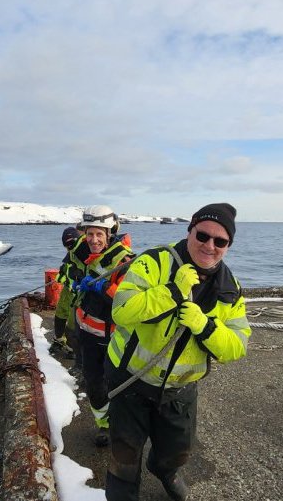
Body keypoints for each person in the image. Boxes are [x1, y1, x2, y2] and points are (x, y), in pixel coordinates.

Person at [105, 203, 250, 501]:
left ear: (228, 246)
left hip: (179, 391)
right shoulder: (154, 261)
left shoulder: (230, 287)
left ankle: (164, 470)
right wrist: (171, 290)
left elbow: (237, 347)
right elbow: (121, 311)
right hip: (131, 380)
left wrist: (205, 326)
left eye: (220, 241)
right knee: (124, 459)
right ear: (190, 231)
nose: (209, 246)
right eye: (202, 235)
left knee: (176, 452)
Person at [69, 205, 134, 447]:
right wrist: (77, 286)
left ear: (110, 234)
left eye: (99, 234)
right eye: (90, 234)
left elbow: (129, 301)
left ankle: (119, 424)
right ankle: (103, 424)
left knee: (116, 383)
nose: (94, 240)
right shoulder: (85, 256)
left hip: (112, 337)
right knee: (93, 381)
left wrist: (101, 288)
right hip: (86, 333)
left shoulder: (125, 262)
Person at [50, 226, 83, 361]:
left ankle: (71, 349)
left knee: (73, 322)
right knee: (60, 314)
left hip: (78, 294)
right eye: (67, 245)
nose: (70, 247)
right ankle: (59, 340)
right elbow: (63, 275)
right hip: (67, 292)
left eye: (71, 243)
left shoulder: (83, 255)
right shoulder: (69, 258)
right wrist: (63, 278)